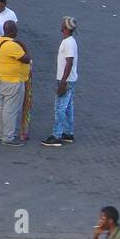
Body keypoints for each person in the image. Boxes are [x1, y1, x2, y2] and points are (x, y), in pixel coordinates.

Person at [0, 21, 31, 147]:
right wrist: (23, 45)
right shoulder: (12, 46)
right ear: (12, 31)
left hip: (4, 79)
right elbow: (26, 58)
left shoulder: (0, 41)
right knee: (11, 109)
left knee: (4, 108)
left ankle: (3, 133)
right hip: (13, 81)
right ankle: (8, 137)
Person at [43, 16, 78, 147]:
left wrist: (63, 81)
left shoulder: (68, 43)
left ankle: (57, 135)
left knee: (60, 107)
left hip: (66, 80)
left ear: (66, 28)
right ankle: (68, 133)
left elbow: (69, 62)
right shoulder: (71, 41)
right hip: (70, 79)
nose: (61, 24)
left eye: (63, 23)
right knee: (68, 107)